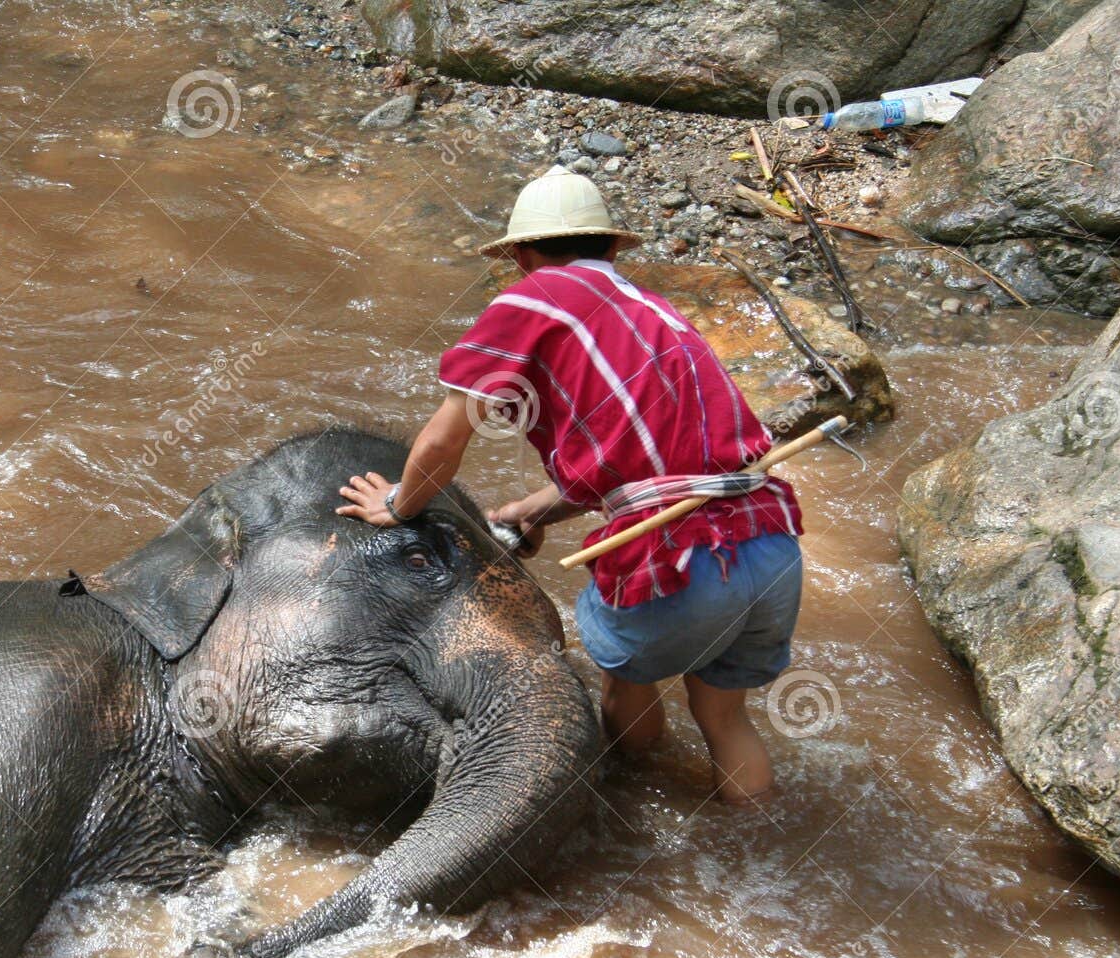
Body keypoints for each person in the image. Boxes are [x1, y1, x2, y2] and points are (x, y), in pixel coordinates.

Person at [336, 165, 804, 804]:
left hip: (677, 556)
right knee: (726, 719)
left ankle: (638, 811)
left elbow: (447, 436)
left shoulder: (528, 302)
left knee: (624, 687)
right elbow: (646, 468)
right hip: (768, 539)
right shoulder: (655, 311)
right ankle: (755, 852)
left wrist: (398, 504)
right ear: (611, 247)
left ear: (522, 256)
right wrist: (535, 509)